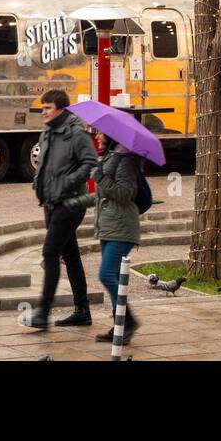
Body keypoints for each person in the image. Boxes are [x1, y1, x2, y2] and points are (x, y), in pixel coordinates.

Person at [28, 89, 98, 329]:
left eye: (47, 108)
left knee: (50, 253)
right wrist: (39, 181)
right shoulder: (47, 132)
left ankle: (42, 313)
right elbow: (45, 164)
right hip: (50, 202)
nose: (43, 112)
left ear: (60, 108)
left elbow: (90, 163)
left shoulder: (76, 134)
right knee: (70, 255)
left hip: (70, 203)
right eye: (43, 107)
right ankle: (82, 310)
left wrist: (68, 182)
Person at [81, 138, 143, 344]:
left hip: (122, 227)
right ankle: (120, 326)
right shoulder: (112, 154)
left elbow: (125, 193)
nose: (97, 136)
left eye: (100, 132)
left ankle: (128, 322)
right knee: (114, 275)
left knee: (106, 275)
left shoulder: (126, 159)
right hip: (109, 226)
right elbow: (104, 194)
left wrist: (99, 176)